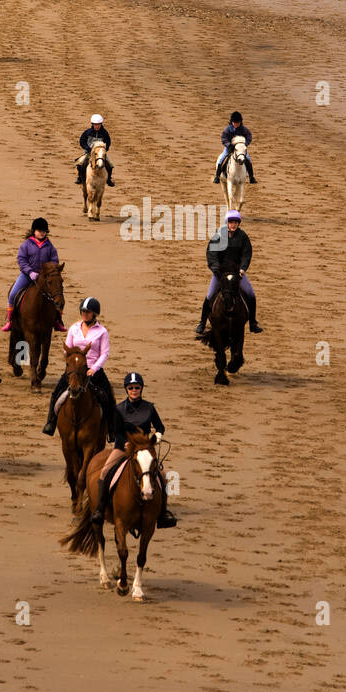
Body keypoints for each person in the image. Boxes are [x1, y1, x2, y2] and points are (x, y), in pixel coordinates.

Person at [91, 371, 177, 529]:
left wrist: (158, 435)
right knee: (104, 472)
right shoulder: (119, 409)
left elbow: (160, 426)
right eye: (130, 388)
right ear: (126, 389)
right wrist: (125, 444)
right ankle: (100, 509)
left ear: (141, 389)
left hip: (144, 450)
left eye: (137, 387)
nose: (134, 390)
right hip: (123, 448)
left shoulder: (149, 408)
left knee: (164, 477)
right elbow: (117, 432)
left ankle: (163, 513)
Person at [42, 297, 115, 436]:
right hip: (75, 370)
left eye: (87, 312)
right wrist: (73, 363)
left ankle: (111, 429)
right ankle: (50, 423)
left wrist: (94, 368)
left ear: (94, 314)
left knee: (108, 397)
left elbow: (104, 353)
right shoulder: (74, 329)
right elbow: (67, 349)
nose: (84, 314)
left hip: (93, 369)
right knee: (56, 392)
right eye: (83, 311)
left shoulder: (102, 331)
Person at [196, 210, 262, 336]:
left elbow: (246, 255)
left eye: (236, 222)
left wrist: (243, 268)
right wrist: (216, 270)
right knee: (210, 295)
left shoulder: (243, 237)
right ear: (227, 223)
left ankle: (252, 323)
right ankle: (202, 323)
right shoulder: (219, 235)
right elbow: (211, 254)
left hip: (237, 273)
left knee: (251, 294)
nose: (233, 224)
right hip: (220, 273)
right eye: (231, 222)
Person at [1, 217, 65, 331]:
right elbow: (21, 259)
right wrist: (29, 271)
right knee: (13, 294)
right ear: (34, 231)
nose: (41, 233)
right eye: (39, 230)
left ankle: (57, 320)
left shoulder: (50, 246)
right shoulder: (26, 244)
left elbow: (54, 261)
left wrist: (50, 271)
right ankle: (10, 320)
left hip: (44, 278)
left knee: (57, 296)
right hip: (27, 275)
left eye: (44, 231)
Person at [214, 110, 257, 185]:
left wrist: (244, 145)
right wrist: (229, 145)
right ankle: (217, 176)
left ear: (240, 122)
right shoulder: (227, 130)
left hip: (240, 150)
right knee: (222, 159)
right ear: (231, 122)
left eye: (238, 123)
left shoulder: (244, 129)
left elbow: (249, 137)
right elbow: (224, 139)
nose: (236, 124)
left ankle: (251, 177)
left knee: (248, 159)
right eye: (235, 123)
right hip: (229, 148)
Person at [75, 114, 114, 186]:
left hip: (100, 153)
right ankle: (80, 178)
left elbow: (108, 142)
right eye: (95, 125)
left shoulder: (104, 133)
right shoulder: (87, 132)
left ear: (101, 124)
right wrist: (87, 148)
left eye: (98, 125)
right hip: (89, 152)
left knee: (110, 164)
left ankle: (108, 179)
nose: (97, 126)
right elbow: (82, 141)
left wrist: (105, 149)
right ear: (92, 124)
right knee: (80, 163)